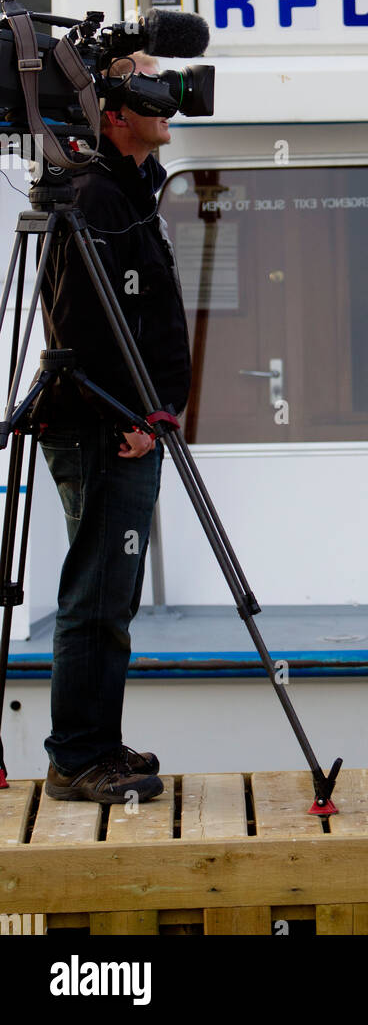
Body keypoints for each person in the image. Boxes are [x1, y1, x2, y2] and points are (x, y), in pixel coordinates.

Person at [37, 52, 191, 803]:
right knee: (98, 594)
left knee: (111, 594)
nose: (171, 103)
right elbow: (76, 327)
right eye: (151, 91)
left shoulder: (125, 187)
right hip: (108, 429)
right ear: (115, 114)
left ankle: (92, 743)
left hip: (128, 424)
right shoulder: (95, 194)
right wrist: (128, 417)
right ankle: (77, 756)